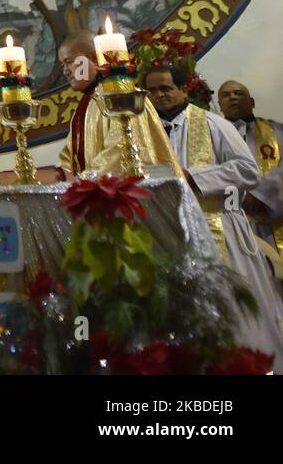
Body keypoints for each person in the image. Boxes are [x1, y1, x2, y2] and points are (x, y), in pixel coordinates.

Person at [144, 66, 283, 370]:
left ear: (183, 89)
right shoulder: (146, 132)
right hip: (172, 231)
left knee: (236, 308)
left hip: (221, 226)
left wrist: (194, 177)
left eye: (166, 88)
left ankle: (251, 364)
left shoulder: (211, 123)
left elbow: (247, 169)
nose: (159, 95)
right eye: (152, 90)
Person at [54, 31, 180, 178]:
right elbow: (69, 160)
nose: (65, 71)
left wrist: (82, 183)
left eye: (69, 62)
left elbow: (121, 154)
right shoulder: (85, 106)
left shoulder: (126, 97)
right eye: (62, 65)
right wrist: (59, 175)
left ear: (95, 58)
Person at [218, 80, 282, 250]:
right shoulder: (214, 135)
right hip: (234, 221)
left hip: (273, 213)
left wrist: (262, 194)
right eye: (226, 95)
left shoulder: (277, 131)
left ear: (252, 102)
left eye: (238, 93)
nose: (233, 97)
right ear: (220, 106)